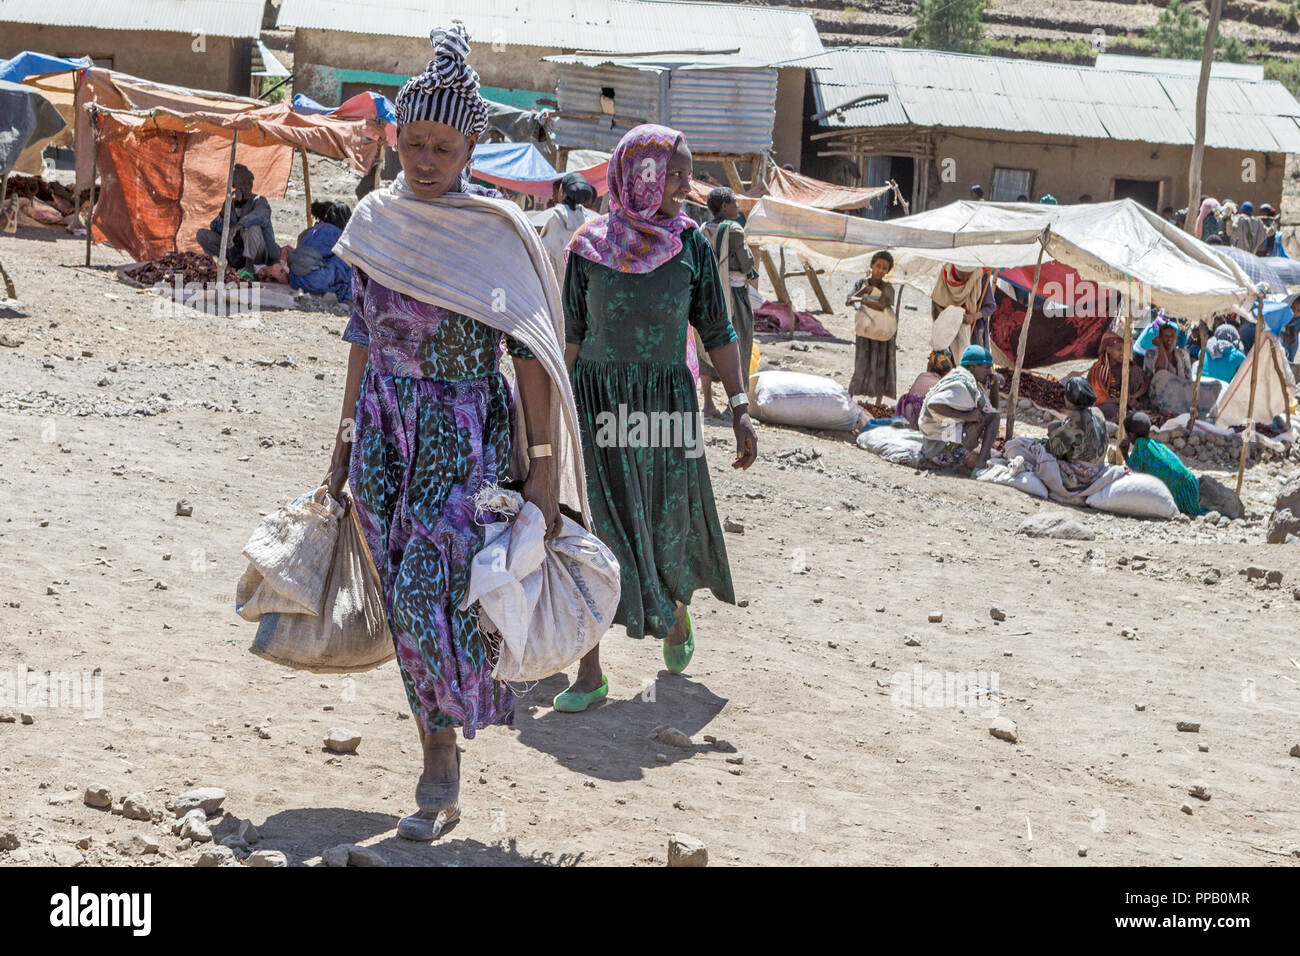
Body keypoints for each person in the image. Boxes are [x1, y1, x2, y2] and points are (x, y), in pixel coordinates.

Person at [324, 24, 589, 842]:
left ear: (474, 142)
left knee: (424, 592)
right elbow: (362, 337)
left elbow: (533, 355)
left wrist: (542, 471)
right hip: (383, 437)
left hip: (462, 431)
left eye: (442, 145)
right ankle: (437, 735)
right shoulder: (375, 219)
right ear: (395, 140)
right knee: (408, 606)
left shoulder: (495, 231)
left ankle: (441, 766)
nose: (427, 160)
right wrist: (338, 448)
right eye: (413, 145)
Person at [554, 124, 758, 711]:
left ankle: (674, 614)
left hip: (666, 403)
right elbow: (572, 334)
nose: (683, 184)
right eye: (673, 173)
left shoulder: (692, 243)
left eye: (686, 172)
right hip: (594, 403)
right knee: (592, 527)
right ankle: (589, 673)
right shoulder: (587, 246)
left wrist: (740, 407)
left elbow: (717, 329)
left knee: (666, 515)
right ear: (638, 174)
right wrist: (551, 412)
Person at [698, 185, 759, 419]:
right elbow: (746, 263)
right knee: (740, 344)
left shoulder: (704, 228)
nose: (738, 206)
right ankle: (734, 406)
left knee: (706, 344)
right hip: (733, 295)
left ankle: (707, 403)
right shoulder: (734, 230)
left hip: (708, 295)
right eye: (734, 202)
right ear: (724, 206)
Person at [917, 345, 1000, 471]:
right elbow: (933, 404)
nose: (989, 372)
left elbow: (991, 409)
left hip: (936, 446)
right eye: (986, 367)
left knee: (989, 416)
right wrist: (966, 416)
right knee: (993, 418)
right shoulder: (962, 386)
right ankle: (979, 467)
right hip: (939, 451)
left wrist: (995, 385)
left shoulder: (969, 381)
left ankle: (977, 462)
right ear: (973, 366)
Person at [258, 200, 354, 301]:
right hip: (313, 280)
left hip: (295, 280)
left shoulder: (313, 230)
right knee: (349, 264)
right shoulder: (336, 232)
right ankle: (349, 299)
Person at [1119, 411, 1205, 516]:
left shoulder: (1140, 445)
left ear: (1131, 434)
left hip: (1180, 493)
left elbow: (1132, 473)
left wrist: (1124, 453)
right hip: (1190, 485)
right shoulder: (1155, 443)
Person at [196, 164, 280, 270]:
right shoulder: (231, 204)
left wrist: (237, 227)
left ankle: (249, 269)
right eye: (241, 185)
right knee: (202, 234)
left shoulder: (259, 200)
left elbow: (259, 216)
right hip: (235, 253)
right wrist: (224, 209)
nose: (246, 187)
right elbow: (214, 228)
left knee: (253, 228)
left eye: (248, 184)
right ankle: (226, 266)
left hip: (258, 256)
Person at [845, 249, 897, 404]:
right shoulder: (860, 283)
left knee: (882, 367)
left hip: (882, 333)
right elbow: (848, 300)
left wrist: (862, 299)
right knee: (861, 365)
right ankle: (849, 399)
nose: (880, 270)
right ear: (872, 265)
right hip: (865, 331)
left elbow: (881, 306)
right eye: (878, 266)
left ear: (888, 271)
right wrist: (863, 292)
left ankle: (878, 404)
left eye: (884, 268)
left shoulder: (888, 288)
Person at [1143, 316, 1220, 416]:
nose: (1169, 339)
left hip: (1180, 397)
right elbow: (1159, 372)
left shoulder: (1182, 354)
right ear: (1160, 338)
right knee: (1162, 375)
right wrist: (1160, 346)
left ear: (1176, 338)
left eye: (1172, 336)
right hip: (1159, 397)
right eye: (1165, 336)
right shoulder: (1152, 353)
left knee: (1214, 386)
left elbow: (1188, 380)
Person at [538, 171, 598, 278]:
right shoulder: (586, 218)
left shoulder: (555, 216)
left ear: (563, 192)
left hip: (558, 280)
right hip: (579, 281)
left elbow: (542, 251)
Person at [931, 262, 995, 354]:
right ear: (954, 269)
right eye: (961, 274)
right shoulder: (946, 273)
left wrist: (973, 317)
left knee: (971, 363)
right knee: (947, 362)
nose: (964, 278)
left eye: (968, 276)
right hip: (948, 331)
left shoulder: (981, 276)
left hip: (974, 330)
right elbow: (937, 301)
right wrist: (951, 316)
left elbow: (990, 306)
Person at [1087, 329, 1148, 422]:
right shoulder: (1099, 369)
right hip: (1108, 404)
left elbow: (1145, 382)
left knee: (1135, 371)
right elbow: (1098, 398)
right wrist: (1123, 400)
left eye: (1124, 349)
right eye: (1119, 349)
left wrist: (1134, 397)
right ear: (1108, 349)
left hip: (1125, 400)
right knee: (1113, 411)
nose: (1123, 353)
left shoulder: (1127, 364)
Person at [1044, 377, 1108, 464]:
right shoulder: (1097, 411)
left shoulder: (1076, 418)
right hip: (1099, 463)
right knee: (1055, 426)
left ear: (1069, 400)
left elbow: (1052, 448)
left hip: (1084, 469)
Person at [895, 348, 953, 429]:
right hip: (927, 419)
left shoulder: (921, 376)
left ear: (929, 367)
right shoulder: (943, 384)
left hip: (910, 414)